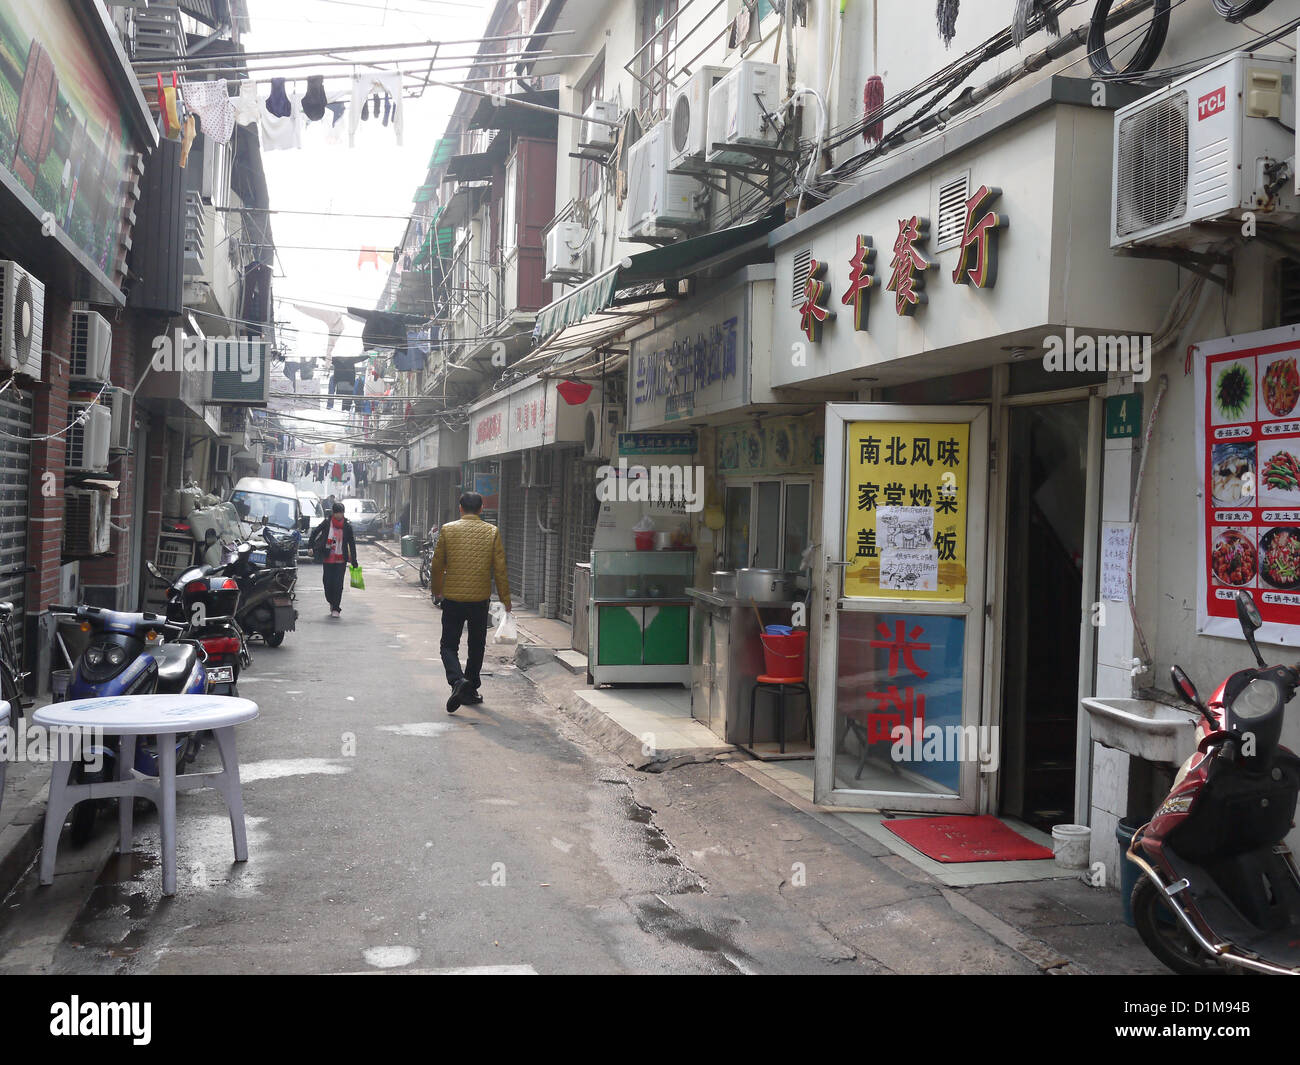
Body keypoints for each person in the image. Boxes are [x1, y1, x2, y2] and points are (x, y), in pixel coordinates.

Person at [429, 491, 510, 713]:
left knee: (448, 645)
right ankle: (471, 687)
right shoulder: (492, 532)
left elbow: (437, 565)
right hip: (479, 600)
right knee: (476, 645)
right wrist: (506, 600)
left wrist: (437, 591)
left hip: (453, 599)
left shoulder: (447, 529)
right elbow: (500, 569)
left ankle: (457, 681)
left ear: (460, 508)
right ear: (481, 509)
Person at [308, 502, 358, 618]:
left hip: (341, 560)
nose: (339, 515)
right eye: (337, 513)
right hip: (328, 558)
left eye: (341, 513)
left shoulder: (347, 526)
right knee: (327, 583)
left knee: (338, 584)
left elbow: (351, 543)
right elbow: (315, 532)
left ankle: (336, 607)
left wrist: (354, 560)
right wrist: (310, 546)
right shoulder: (327, 523)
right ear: (333, 513)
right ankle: (331, 601)